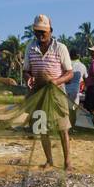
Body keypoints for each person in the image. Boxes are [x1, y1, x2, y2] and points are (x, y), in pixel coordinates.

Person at [23, 14, 73, 169]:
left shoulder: (60, 48)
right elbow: (26, 70)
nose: (40, 35)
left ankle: (67, 162)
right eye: (37, 31)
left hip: (57, 94)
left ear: (50, 31)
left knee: (62, 128)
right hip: (38, 93)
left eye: (43, 32)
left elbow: (69, 73)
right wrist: (28, 78)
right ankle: (49, 160)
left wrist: (56, 81)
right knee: (42, 128)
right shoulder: (30, 47)